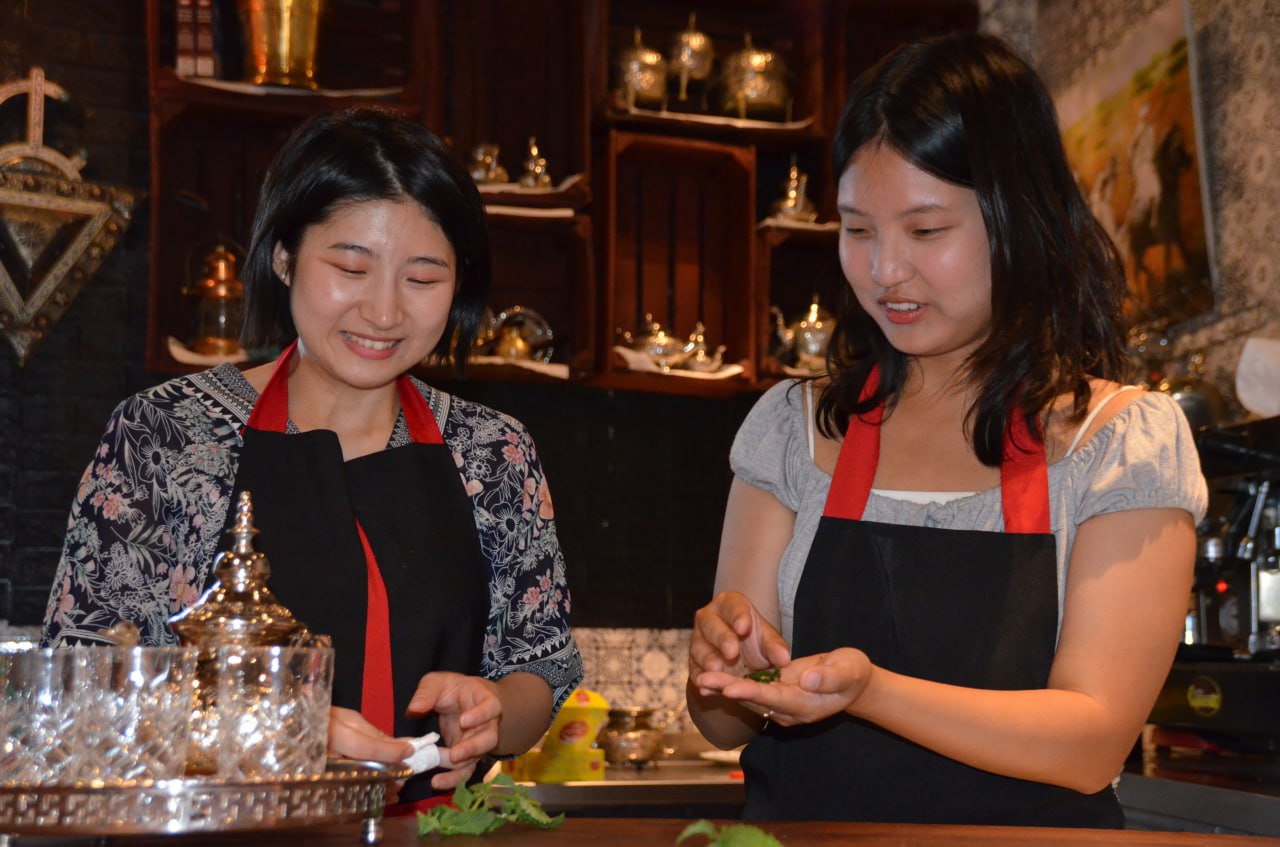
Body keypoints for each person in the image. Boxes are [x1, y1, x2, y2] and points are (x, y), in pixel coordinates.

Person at [686, 33, 1207, 828]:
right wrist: (720, 671)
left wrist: (872, 689)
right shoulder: (793, 430)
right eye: (859, 230)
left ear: (1017, 220)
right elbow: (726, 725)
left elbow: (1092, 740)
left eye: (926, 232)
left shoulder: (1119, 441)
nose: (886, 270)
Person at [42, 107, 583, 809]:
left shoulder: (494, 452)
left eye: (422, 279)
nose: (384, 312)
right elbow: (80, 681)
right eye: (351, 266)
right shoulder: (167, 436)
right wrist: (276, 729)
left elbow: (540, 664)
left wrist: (493, 711)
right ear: (284, 256)